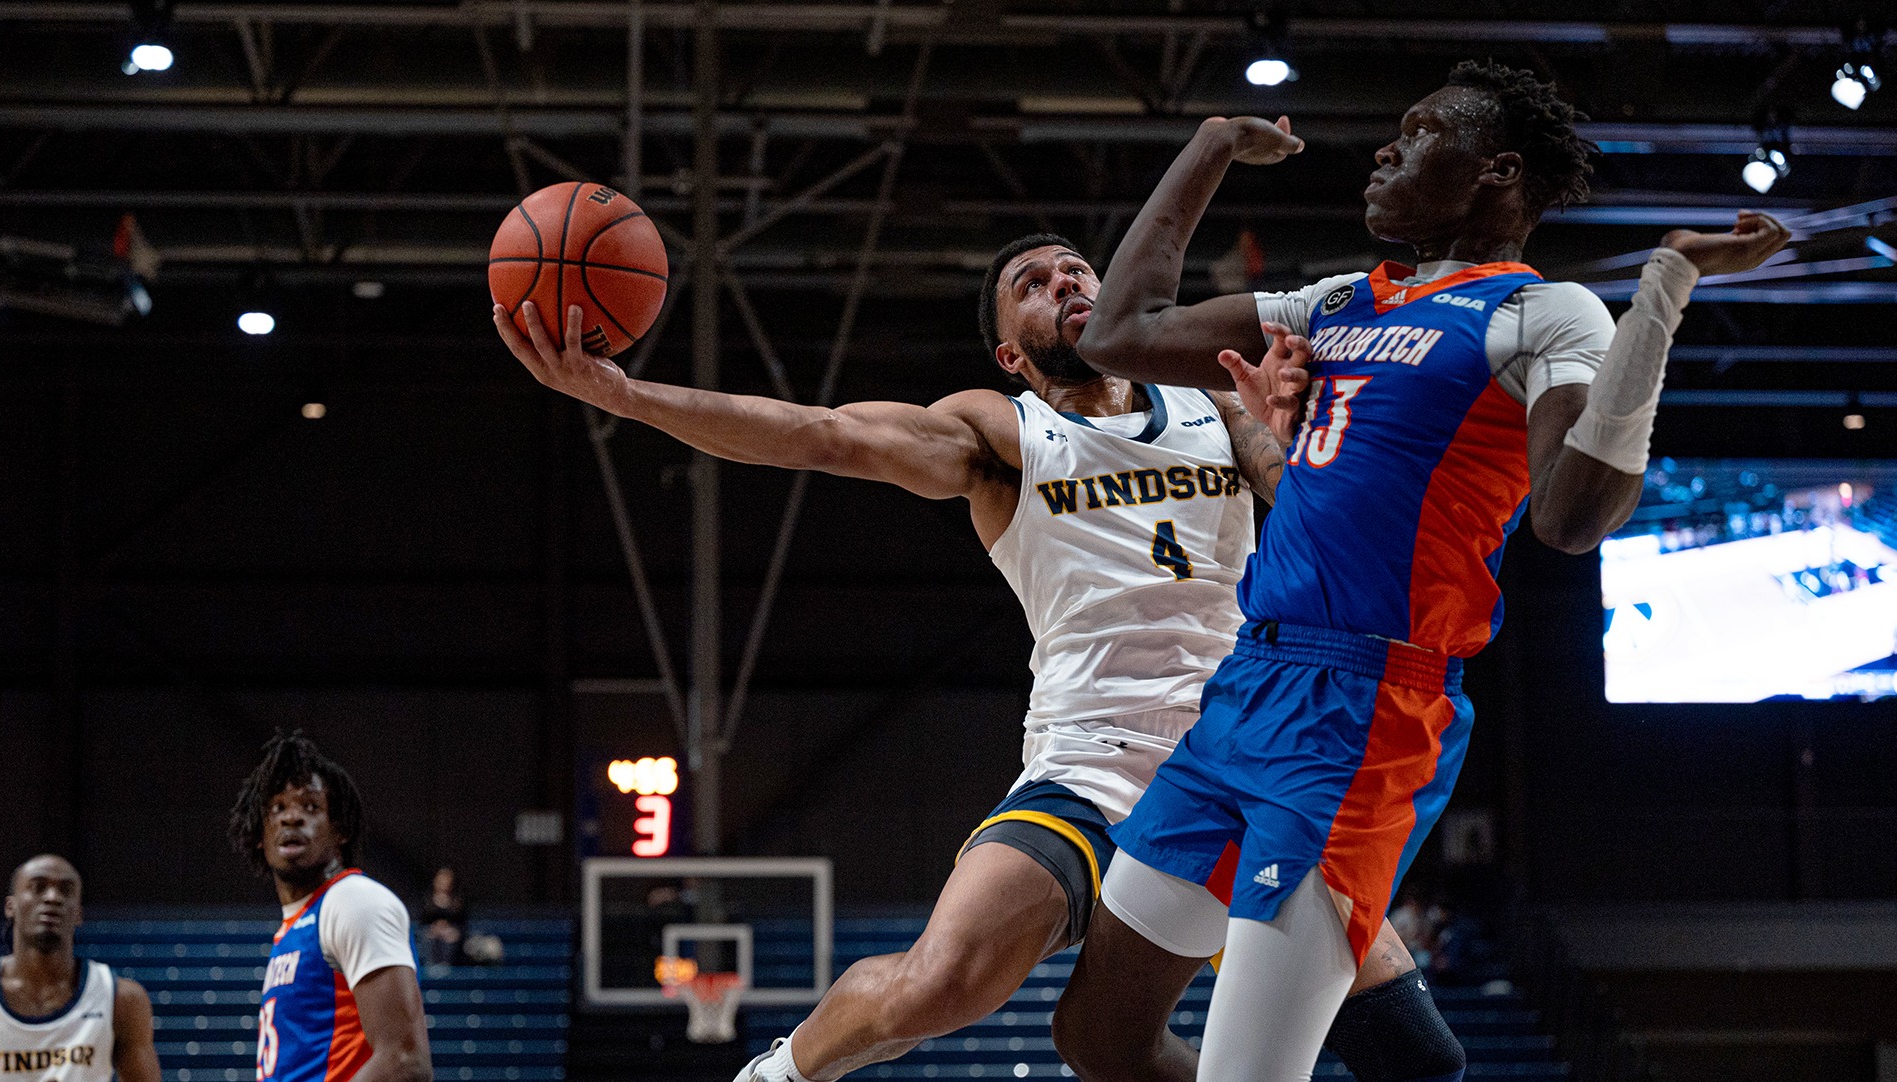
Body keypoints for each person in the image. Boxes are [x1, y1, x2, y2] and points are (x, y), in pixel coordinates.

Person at [493, 233, 1462, 1082]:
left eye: (1078, 270)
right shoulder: (1003, 428)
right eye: (1035, 283)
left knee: (1412, 1049)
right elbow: (820, 435)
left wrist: (1306, 438)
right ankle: (782, 1070)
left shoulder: (1216, 399)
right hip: (1094, 761)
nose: (1067, 283)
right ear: (1010, 350)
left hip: (1252, 756)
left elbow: (1324, 539)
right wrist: (624, 395)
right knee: (944, 981)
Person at [1063, 59, 1790, 1082]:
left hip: (1364, 706)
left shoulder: (1546, 313)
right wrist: (1212, 146)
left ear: (1494, 171)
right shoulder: (1337, 302)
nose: (1386, 150)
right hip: (1245, 690)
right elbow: (1117, 334)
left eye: (1417, 132)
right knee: (1096, 1036)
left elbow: (1575, 517)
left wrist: (1663, 289)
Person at [228, 732, 432, 1082]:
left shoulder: (353, 901)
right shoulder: (295, 926)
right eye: (277, 807)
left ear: (339, 830)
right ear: (260, 835)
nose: (291, 818)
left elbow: (404, 1061)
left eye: (310, 806)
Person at [0, 855, 159, 1082]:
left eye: (66, 890)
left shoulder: (121, 999)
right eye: (38, 887)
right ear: (10, 906)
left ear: (79, 914)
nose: (53, 898)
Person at [418, 868, 468, 968]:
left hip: (451, 933)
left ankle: (447, 968)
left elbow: (463, 925)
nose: (443, 884)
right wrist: (435, 928)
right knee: (430, 937)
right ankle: (431, 967)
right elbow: (422, 922)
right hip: (430, 931)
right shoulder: (427, 900)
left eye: (446, 881)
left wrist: (451, 930)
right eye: (441, 880)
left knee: (450, 938)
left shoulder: (458, 902)